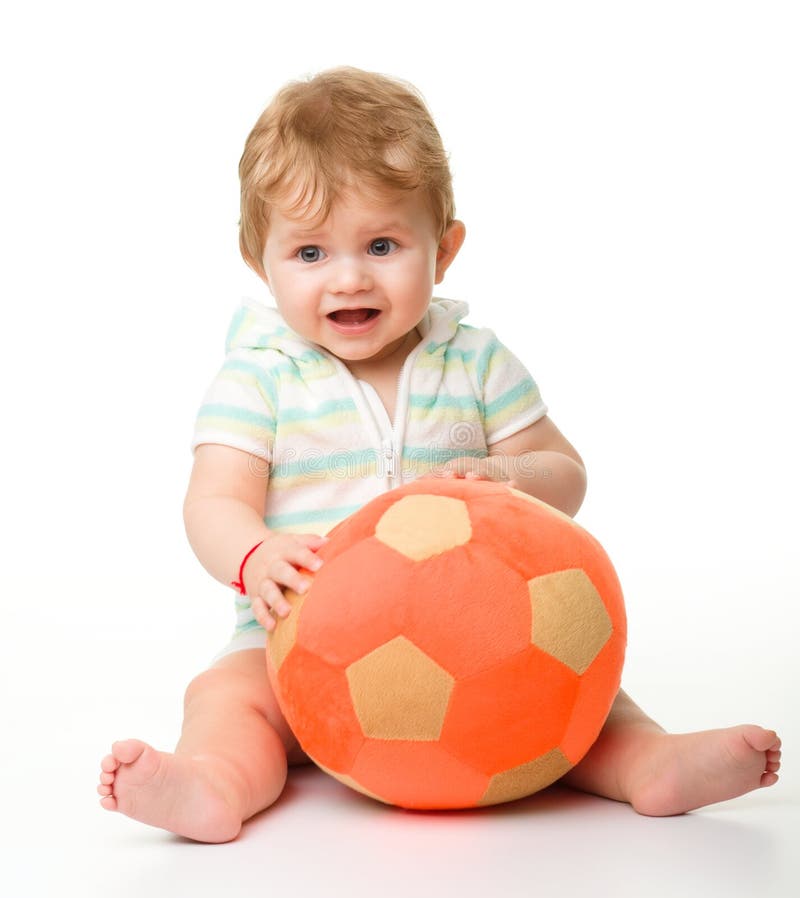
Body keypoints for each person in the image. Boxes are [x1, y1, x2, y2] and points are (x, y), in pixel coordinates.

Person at [97, 67, 781, 843]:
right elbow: (213, 501)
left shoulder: (476, 363)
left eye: (382, 244)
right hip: (294, 639)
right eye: (310, 253)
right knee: (227, 698)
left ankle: (646, 763)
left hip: (480, 635)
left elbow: (565, 472)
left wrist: (506, 476)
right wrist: (255, 556)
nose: (349, 276)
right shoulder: (261, 377)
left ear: (444, 250)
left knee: (575, 684)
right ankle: (214, 783)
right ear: (262, 263)